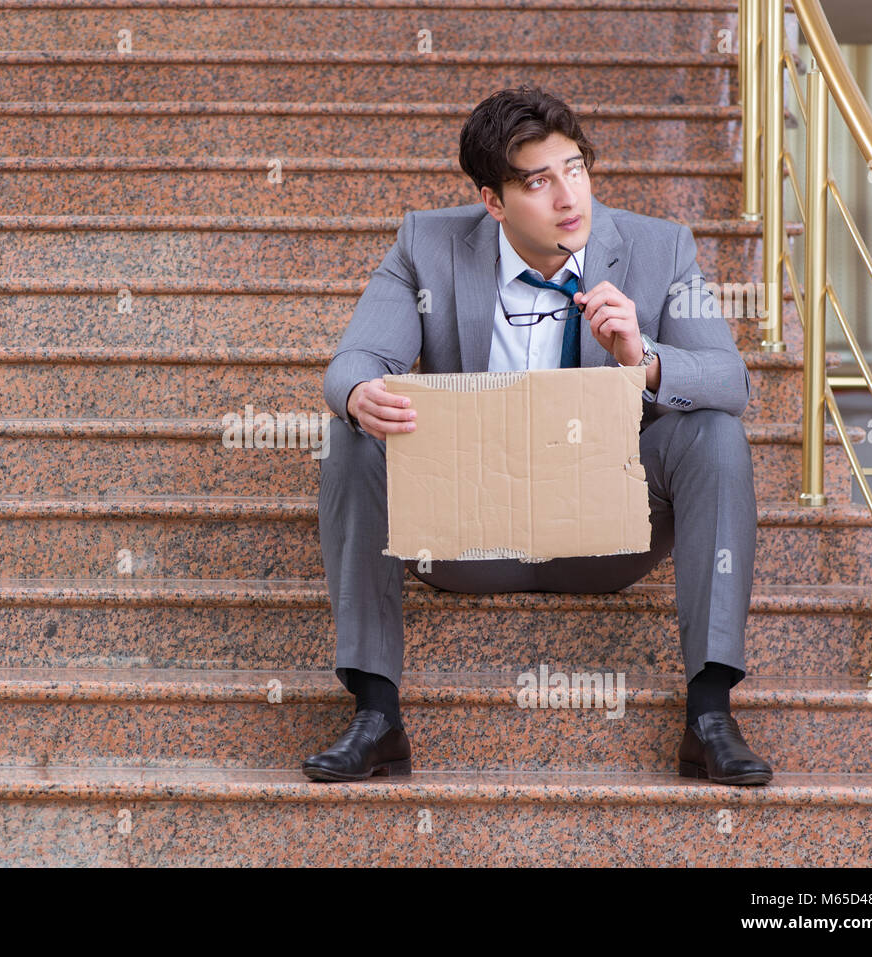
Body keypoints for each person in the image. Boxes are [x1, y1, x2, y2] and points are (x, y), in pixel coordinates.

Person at [302, 86, 773, 786]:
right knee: (352, 433)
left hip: (608, 532)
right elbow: (354, 362)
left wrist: (642, 358)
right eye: (538, 180)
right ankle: (377, 715)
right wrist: (362, 392)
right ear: (493, 200)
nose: (567, 195)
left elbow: (731, 381)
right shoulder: (426, 243)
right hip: (467, 534)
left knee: (715, 435)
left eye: (575, 168)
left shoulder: (660, 247)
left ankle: (708, 714)